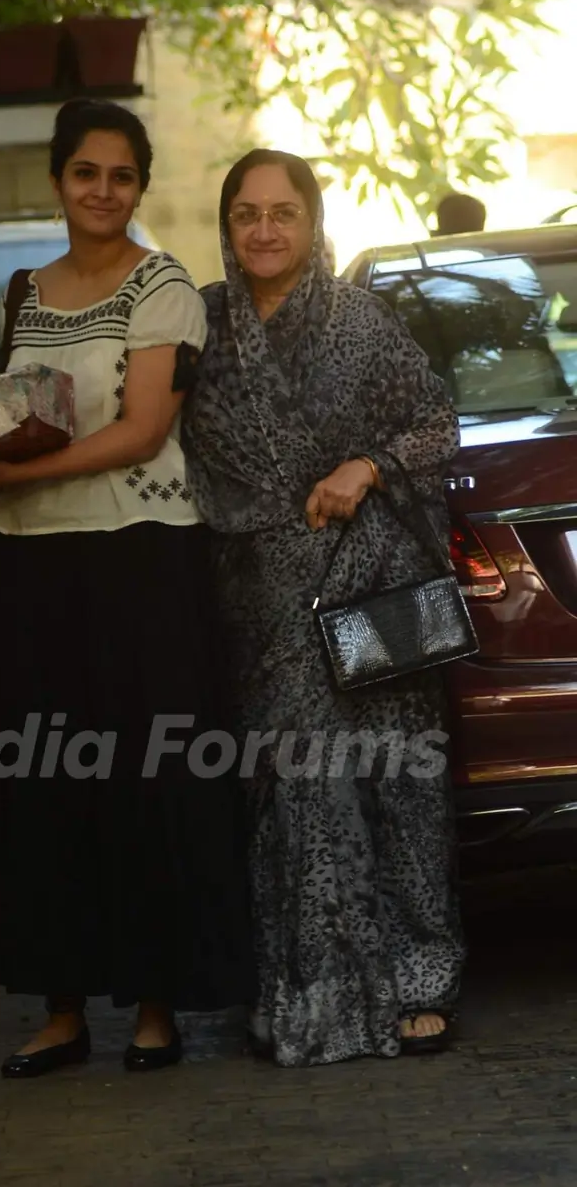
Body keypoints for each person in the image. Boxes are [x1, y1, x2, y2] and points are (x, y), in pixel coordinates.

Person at [0, 98, 255, 1077]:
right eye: (85, 172)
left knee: (140, 784)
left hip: (137, 561)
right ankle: (57, 1010)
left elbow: (140, 431)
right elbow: (10, 421)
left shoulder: (163, 285)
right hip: (25, 568)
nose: (103, 190)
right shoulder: (23, 291)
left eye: (121, 175)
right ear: (57, 180)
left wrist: (2, 479)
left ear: (139, 188)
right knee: (31, 785)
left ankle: (152, 1009)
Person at [181, 148, 466, 1068]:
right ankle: (306, 990)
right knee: (295, 793)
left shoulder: (361, 321)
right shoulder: (203, 328)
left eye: (283, 213)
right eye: (245, 215)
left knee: (398, 783)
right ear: (226, 228)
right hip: (261, 596)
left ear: (311, 222)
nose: (264, 231)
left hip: (373, 585)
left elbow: (435, 418)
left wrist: (366, 465)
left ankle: (421, 983)